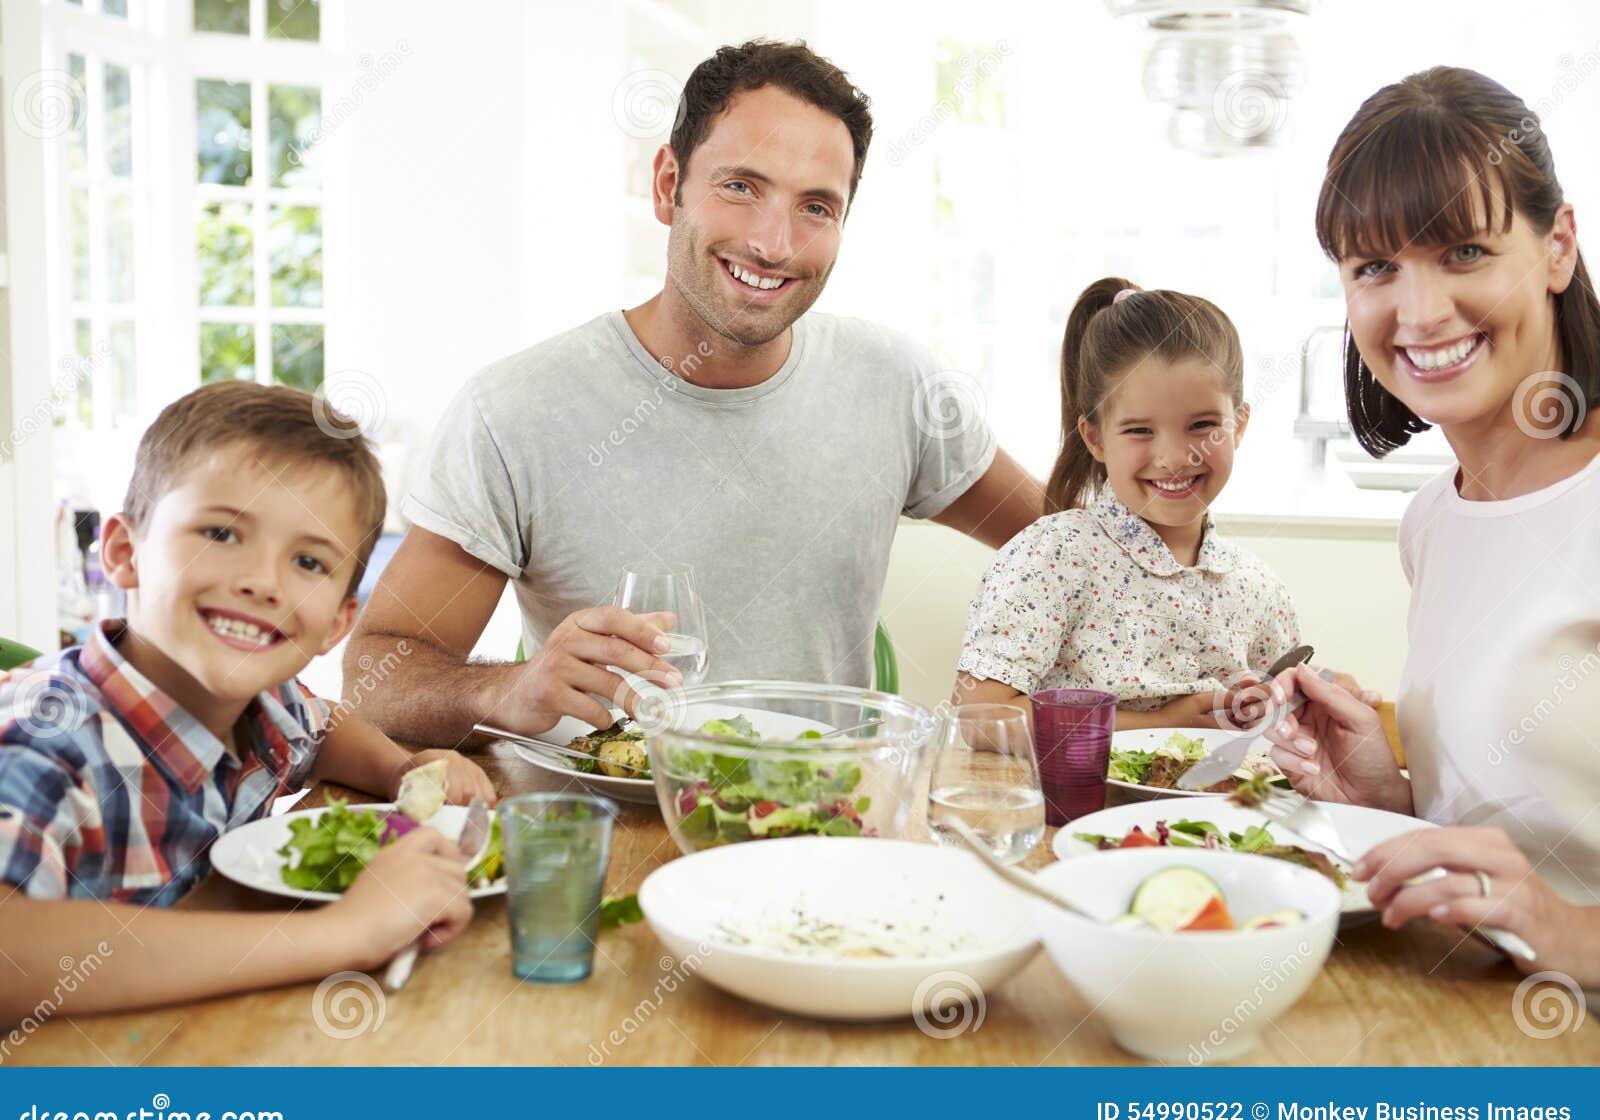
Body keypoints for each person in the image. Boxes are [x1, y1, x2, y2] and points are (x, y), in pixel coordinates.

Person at [346, 40, 1042, 747]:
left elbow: (1081, 545)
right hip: (615, 836)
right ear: (666, 184)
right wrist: (508, 688)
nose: (774, 244)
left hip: (832, 828)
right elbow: (376, 679)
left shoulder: (899, 385)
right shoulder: (513, 413)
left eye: (816, 207)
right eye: (741, 186)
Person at [0, 382, 493, 1025]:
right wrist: (343, 934)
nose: (263, 582)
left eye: (310, 563)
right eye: (220, 533)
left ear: (337, 623)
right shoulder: (45, 740)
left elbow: (326, 726)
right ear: (124, 552)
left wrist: (405, 772)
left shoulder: (265, 704)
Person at [1268, 66, 1600, 970]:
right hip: (1478, 1021)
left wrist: (1565, 928)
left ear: (1558, 245)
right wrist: (1391, 794)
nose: (1419, 312)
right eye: (1376, 267)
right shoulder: (1432, 521)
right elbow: (1522, 837)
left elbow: (1550, 895)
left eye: (1463, 252)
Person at [952, 277, 1310, 730]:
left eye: (1202, 425)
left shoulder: (1260, 590)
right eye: (1140, 430)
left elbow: (1281, 726)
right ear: (1095, 438)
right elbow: (981, 716)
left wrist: (1289, 705)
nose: (1177, 458)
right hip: (1074, 802)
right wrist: (1163, 724)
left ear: (1238, 426)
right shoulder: (1051, 557)